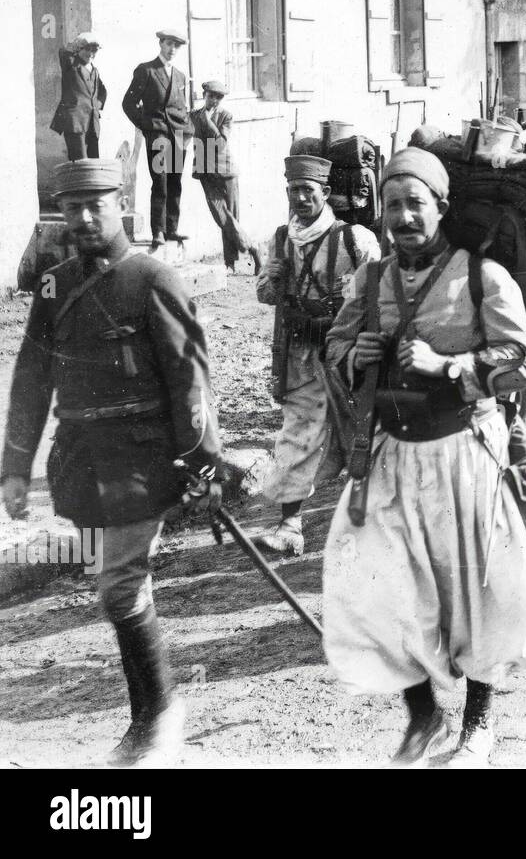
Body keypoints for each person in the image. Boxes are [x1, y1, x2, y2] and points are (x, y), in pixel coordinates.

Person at [322, 147, 526, 767]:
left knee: (475, 588)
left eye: (416, 203)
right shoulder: (368, 280)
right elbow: (334, 345)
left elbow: (523, 362)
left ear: (441, 207)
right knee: (385, 588)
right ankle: (424, 717)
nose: (403, 216)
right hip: (392, 454)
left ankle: (477, 722)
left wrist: (453, 366)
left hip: (462, 453)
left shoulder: (482, 277)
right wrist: (353, 356)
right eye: (392, 204)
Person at [2, 159, 222, 766]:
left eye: (96, 203)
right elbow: (30, 375)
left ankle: (165, 712)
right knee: (123, 590)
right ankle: (144, 720)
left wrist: (204, 467)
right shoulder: (54, 282)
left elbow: (191, 382)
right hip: (82, 463)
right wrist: (17, 465)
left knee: (119, 588)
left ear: (120, 202)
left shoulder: (154, 278)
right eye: (73, 206)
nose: (85, 216)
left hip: (143, 461)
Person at [255, 155, 380, 556]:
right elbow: (264, 295)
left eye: (309, 190)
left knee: (364, 434)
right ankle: (290, 523)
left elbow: (380, 292)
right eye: (295, 190)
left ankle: (374, 524)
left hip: (347, 355)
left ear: (325, 193)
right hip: (301, 356)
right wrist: (272, 278)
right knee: (299, 432)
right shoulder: (279, 239)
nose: (301, 197)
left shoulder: (354, 239)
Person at [122, 30, 192, 249]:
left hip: (177, 137)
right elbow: (128, 103)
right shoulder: (147, 71)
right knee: (160, 183)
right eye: (169, 44)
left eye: (176, 46)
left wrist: (186, 132)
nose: (172, 50)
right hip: (158, 136)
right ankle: (158, 232)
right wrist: (147, 127)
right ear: (160, 44)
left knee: (175, 183)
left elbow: (183, 109)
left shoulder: (180, 76)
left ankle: (172, 229)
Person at [187, 80, 261, 274]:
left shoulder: (226, 116)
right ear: (205, 95)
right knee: (221, 216)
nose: (215, 100)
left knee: (232, 217)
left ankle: (230, 263)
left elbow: (220, 143)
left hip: (226, 172)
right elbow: (182, 132)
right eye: (211, 96)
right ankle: (253, 247)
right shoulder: (193, 115)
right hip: (204, 172)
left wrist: (207, 120)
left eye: (218, 98)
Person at [51, 31, 107, 160]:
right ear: (78, 49)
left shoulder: (95, 71)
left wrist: (96, 106)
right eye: (87, 49)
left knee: (93, 163)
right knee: (80, 162)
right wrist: (77, 44)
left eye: (94, 50)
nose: (91, 54)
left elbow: (103, 91)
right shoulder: (70, 64)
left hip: (92, 124)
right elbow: (62, 51)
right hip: (75, 123)